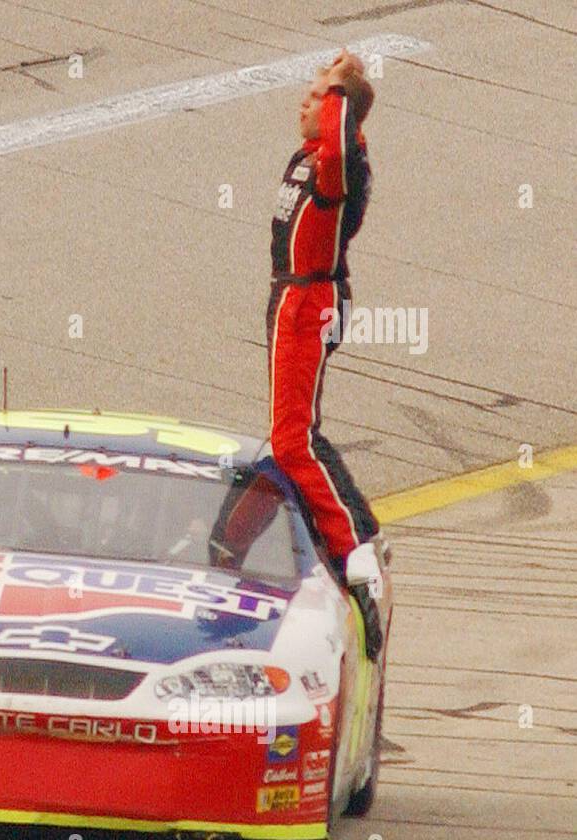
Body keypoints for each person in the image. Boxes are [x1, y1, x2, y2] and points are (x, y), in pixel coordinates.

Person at [265, 50, 384, 657]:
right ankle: (343, 538)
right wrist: (343, 84)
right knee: (289, 438)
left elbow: (344, 144)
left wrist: (343, 88)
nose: (304, 102)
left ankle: (356, 548)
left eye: (316, 97)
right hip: (292, 299)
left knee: (293, 441)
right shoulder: (313, 156)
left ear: (338, 111)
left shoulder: (342, 165)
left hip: (309, 303)